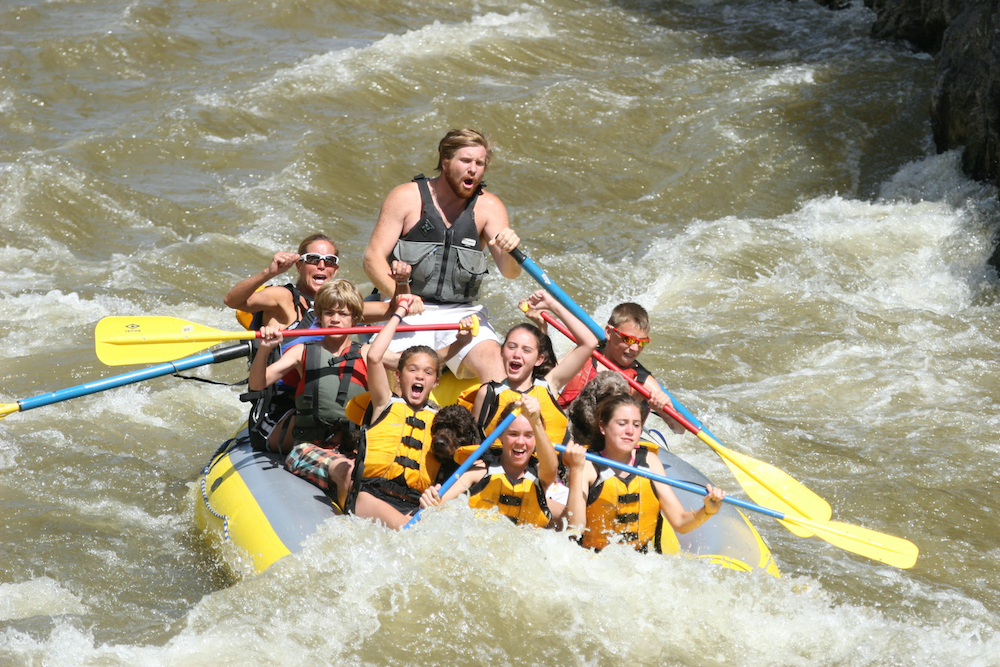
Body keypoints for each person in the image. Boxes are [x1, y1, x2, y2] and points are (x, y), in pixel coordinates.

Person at [362, 128, 522, 384]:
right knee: (401, 374)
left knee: (497, 366)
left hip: (461, 313)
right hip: (407, 309)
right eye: (465, 161)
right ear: (445, 162)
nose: (473, 169)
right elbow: (372, 258)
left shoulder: (490, 207)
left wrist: (512, 251)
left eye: (480, 163)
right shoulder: (406, 197)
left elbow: (510, 272)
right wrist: (401, 297)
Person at [228, 234, 418, 450]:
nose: (321, 266)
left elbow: (397, 308)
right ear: (299, 265)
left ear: (335, 270)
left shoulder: (342, 307)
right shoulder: (282, 298)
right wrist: (270, 272)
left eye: (329, 261)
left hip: (332, 401)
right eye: (313, 259)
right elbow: (233, 301)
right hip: (284, 404)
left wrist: (402, 281)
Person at [348, 294, 473, 529]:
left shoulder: (439, 420)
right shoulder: (384, 402)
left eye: (427, 373)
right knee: (410, 530)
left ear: (436, 382)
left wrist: (461, 342)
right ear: (398, 376)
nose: (419, 376)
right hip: (371, 496)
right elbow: (374, 356)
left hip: (413, 504)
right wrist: (399, 313)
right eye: (412, 370)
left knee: (421, 528)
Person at [248, 279, 373, 507]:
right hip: (308, 448)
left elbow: (413, 364)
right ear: (320, 317)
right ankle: (347, 519)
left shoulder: (369, 354)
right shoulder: (300, 352)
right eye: (329, 313)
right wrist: (265, 349)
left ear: (355, 319)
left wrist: (454, 343)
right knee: (349, 472)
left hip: (351, 448)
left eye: (343, 314)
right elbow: (257, 384)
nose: (335, 319)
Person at [563, 395, 725, 552]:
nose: (630, 431)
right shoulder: (588, 466)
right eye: (622, 423)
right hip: (595, 558)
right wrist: (576, 470)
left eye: (636, 425)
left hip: (641, 560)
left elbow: (680, 522)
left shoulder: (650, 462)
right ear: (602, 427)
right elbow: (575, 528)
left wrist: (707, 510)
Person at [458, 289, 598, 448]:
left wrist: (552, 304)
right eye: (512, 347)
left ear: (539, 360)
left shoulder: (550, 385)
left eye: (526, 350)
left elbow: (589, 342)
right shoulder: (488, 393)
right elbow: (473, 444)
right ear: (502, 352)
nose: (517, 354)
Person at [529, 301, 684, 433]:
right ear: (609, 332)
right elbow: (546, 377)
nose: (635, 348)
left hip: (599, 445)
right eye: (628, 339)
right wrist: (542, 328)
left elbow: (679, 428)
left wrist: (665, 408)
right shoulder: (586, 353)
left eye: (642, 342)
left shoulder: (643, 381)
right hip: (562, 427)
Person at [419, 395, 557, 528]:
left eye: (529, 435)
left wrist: (536, 421)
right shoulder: (479, 470)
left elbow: (552, 468)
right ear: (500, 435)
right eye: (513, 434)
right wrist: (430, 500)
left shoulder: (541, 474)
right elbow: (437, 506)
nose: (520, 442)